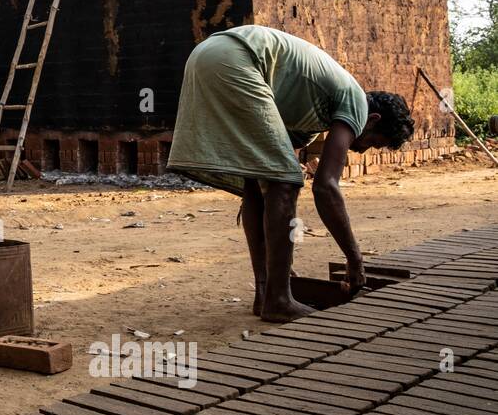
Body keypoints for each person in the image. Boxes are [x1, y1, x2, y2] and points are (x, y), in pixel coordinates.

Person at [166, 25, 414, 322]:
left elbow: (263, 181)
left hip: (205, 54)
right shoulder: (356, 102)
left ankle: (265, 291)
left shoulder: (309, 112)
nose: (362, 151)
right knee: (285, 182)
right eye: (372, 142)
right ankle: (279, 299)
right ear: (372, 120)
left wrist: (279, 263)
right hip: (237, 59)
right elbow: (326, 187)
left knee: (262, 180)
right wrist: (354, 259)